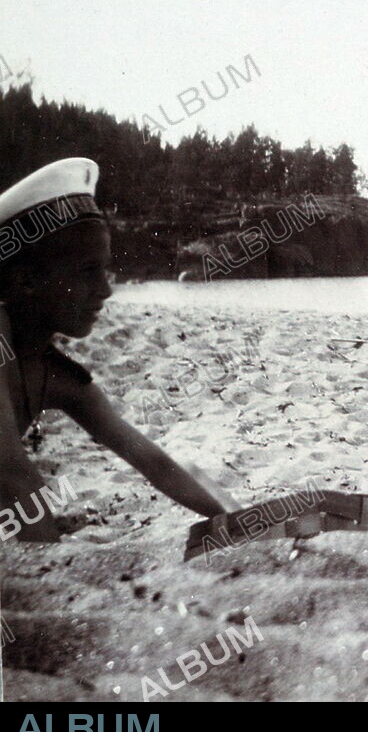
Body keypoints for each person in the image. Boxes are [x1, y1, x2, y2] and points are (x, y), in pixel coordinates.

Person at [0, 158, 235, 542]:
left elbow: (154, 462)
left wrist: (236, 519)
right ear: (26, 280)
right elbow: (9, 472)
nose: (107, 290)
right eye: (88, 271)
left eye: (106, 271)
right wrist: (54, 562)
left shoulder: (56, 375)